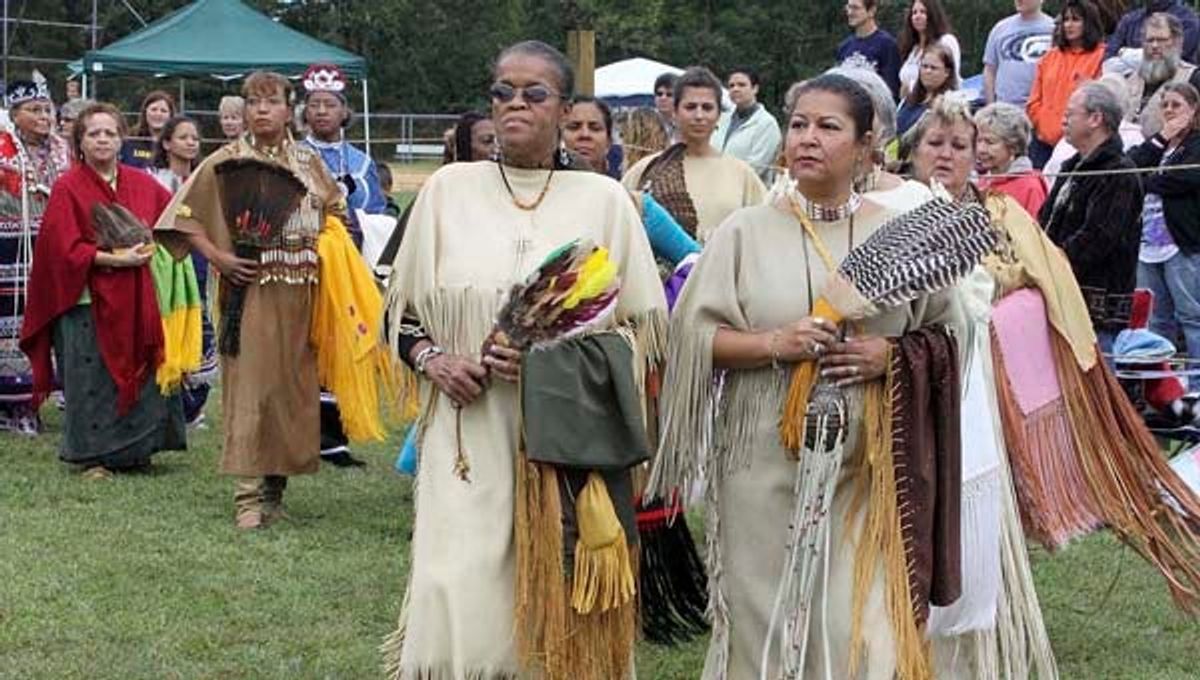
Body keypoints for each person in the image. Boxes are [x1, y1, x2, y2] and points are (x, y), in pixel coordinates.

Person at [647, 73, 966, 679]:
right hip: (760, 459)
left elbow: (951, 336)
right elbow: (690, 340)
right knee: (765, 626)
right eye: (798, 124)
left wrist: (890, 357)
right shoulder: (745, 232)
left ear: (867, 145)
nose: (807, 139)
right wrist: (776, 342)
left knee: (867, 635)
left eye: (828, 127)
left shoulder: (905, 233)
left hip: (867, 465)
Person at [381, 40, 666, 680]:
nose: (515, 103)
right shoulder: (447, 191)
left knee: (559, 599)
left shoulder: (603, 202)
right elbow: (397, 309)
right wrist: (433, 359)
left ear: (564, 109)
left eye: (534, 93)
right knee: (458, 585)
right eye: (502, 91)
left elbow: (643, 336)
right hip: (465, 434)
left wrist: (552, 358)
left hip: (568, 443)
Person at [909, 93, 1200, 623]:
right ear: (914, 150)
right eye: (935, 143)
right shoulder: (898, 207)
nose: (947, 154)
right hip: (917, 373)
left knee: (973, 489)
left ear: (977, 154)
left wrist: (1001, 290)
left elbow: (1044, 261)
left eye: (960, 145)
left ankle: (975, 597)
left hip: (989, 369)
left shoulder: (1000, 210)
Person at [155, 71, 346, 529]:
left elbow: (336, 211)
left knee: (292, 390)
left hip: (303, 291)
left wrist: (332, 248)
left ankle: (276, 491)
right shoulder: (225, 159)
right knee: (250, 388)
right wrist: (219, 257)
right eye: (253, 103)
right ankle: (247, 497)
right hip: (251, 291)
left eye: (271, 102)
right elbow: (179, 220)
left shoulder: (308, 161)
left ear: (288, 108)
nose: (261, 110)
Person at [20, 102, 186, 478]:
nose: (102, 139)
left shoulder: (141, 182)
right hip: (85, 299)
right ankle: (92, 456)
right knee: (91, 377)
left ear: (121, 139)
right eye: (93, 133)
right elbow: (61, 248)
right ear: (80, 141)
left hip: (138, 296)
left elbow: (173, 220)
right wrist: (112, 259)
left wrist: (151, 250)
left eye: (110, 132)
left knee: (142, 370)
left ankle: (136, 451)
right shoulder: (68, 187)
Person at [300, 63, 387, 468]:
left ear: (343, 112)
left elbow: (377, 208)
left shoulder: (360, 161)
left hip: (350, 265)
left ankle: (335, 436)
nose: (321, 111)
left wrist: (356, 222)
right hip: (305, 263)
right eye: (314, 104)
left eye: (329, 104)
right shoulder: (295, 155)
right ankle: (305, 433)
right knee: (307, 346)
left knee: (345, 343)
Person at [1041, 81, 1144, 352]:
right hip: (1061, 296)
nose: (1063, 118)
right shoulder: (1070, 166)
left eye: (1071, 112)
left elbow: (1098, 237)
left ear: (1095, 118)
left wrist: (1052, 263)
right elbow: (1045, 220)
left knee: (1097, 385)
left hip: (1097, 309)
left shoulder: (1119, 172)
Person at [0, 78, 72, 434]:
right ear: (14, 115)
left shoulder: (63, 149)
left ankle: (35, 399)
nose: (44, 116)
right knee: (9, 325)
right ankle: (10, 405)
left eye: (47, 109)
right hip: (7, 251)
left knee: (45, 321)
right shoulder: (3, 149)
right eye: (34, 110)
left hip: (50, 250)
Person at [623, 67, 765, 244]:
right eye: (690, 107)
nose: (699, 115)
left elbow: (761, 233)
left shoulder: (743, 175)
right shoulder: (646, 169)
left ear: (718, 115)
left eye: (707, 108)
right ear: (675, 112)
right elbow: (623, 225)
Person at [564, 96, 701, 266]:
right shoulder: (535, 200)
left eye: (595, 127)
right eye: (574, 127)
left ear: (609, 143)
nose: (584, 135)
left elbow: (698, 261)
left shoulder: (637, 207)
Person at [1128, 81, 1200, 379]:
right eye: (1165, 105)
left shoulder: (1196, 145)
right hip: (1148, 246)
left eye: (1177, 105)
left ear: (1194, 111)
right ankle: (1163, 387)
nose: (1169, 110)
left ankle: (1197, 383)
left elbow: (1181, 181)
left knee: (1192, 316)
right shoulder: (1156, 144)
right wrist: (1161, 138)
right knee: (1156, 319)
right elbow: (1129, 168)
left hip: (1181, 245)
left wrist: (1146, 180)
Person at [150, 115, 215, 429]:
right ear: (166, 143)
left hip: (200, 259)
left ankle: (193, 404)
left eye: (195, 138)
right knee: (168, 326)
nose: (191, 143)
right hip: (165, 263)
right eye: (183, 137)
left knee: (202, 327)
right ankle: (168, 399)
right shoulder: (153, 180)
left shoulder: (206, 180)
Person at [1026, 0, 1106, 168]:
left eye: (1075, 20)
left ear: (1089, 23)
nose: (1069, 25)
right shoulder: (1049, 57)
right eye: (1066, 20)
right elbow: (1033, 101)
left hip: (1077, 144)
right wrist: (1042, 125)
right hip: (1042, 143)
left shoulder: (1102, 56)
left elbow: (1101, 103)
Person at [1123, 12, 1200, 138]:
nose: (1154, 46)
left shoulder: (1193, 78)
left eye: (1161, 40)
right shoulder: (1130, 78)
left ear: (1177, 41)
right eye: (1150, 40)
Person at [974, 102, 1048, 216]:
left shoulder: (1030, 187)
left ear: (1014, 147)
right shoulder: (983, 181)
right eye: (978, 140)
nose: (981, 149)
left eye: (990, 142)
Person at [714, 67, 782, 182]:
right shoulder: (722, 119)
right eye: (731, 86)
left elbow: (756, 168)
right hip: (717, 189)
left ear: (755, 89)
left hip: (749, 195)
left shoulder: (767, 124)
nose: (735, 89)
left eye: (741, 85)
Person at [982, 0, 1055, 107]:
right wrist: (991, 105)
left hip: (1043, 109)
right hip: (1006, 111)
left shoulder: (1054, 29)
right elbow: (989, 70)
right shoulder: (1000, 29)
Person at [837, 0, 903, 99]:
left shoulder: (887, 45)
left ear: (871, 11)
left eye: (855, 8)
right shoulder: (845, 47)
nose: (850, 12)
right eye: (848, 7)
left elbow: (891, 89)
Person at [896, 0, 962, 99]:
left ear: (932, 15)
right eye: (914, 12)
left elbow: (952, 79)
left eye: (923, 12)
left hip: (938, 105)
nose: (917, 16)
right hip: (910, 106)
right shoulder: (913, 48)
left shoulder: (946, 41)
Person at [896, 42, 959, 137]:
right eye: (924, 66)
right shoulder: (909, 99)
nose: (927, 71)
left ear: (947, 72)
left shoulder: (949, 107)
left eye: (933, 68)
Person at [1106, 0, 1200, 62]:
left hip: (1175, 86)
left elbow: (1169, 60)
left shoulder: (1188, 21)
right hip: (1131, 86)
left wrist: (1125, 53)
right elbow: (1109, 59)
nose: (1154, 45)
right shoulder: (1129, 21)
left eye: (1161, 40)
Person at [119, 90, 176, 169]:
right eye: (154, 109)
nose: (158, 114)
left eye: (163, 111)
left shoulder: (176, 143)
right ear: (145, 112)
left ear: (171, 115)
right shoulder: (129, 140)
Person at [654, 71, 679, 139]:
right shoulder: (645, 124)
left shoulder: (686, 124)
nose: (663, 98)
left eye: (669, 94)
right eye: (659, 94)